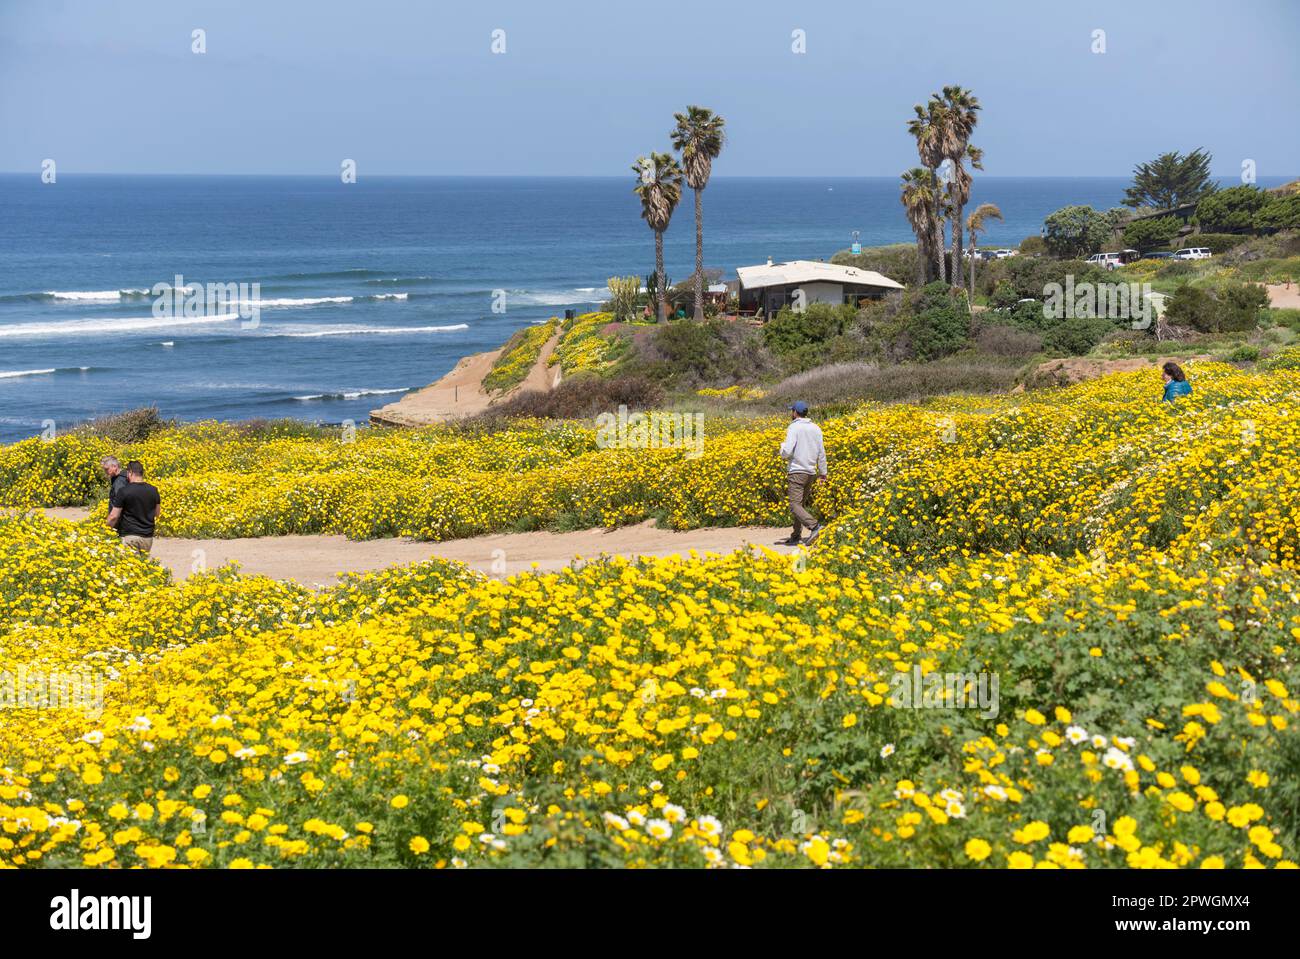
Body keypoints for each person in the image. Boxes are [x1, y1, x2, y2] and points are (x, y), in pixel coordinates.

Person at [778, 400, 827, 546]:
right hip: (811, 473)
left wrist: (781, 448)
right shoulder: (816, 428)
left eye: (791, 411)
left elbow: (786, 452)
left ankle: (815, 526)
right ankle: (796, 535)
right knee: (800, 505)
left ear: (795, 412)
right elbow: (821, 452)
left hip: (797, 471)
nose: (791, 413)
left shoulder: (794, 428)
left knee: (794, 505)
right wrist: (823, 472)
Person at [106, 460, 161, 555]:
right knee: (142, 566)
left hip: (129, 536)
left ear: (130, 472)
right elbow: (157, 513)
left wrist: (106, 529)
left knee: (129, 566)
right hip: (147, 538)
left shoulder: (124, 491)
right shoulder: (153, 490)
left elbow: (113, 516)